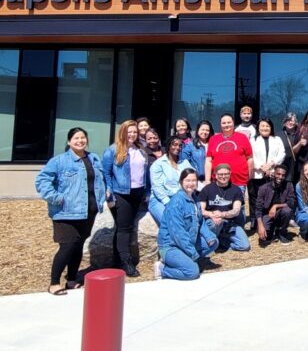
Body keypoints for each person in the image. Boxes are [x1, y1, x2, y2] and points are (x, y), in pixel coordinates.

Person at [35, 127, 106, 295]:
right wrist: (57, 198)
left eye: (83, 138)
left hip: (88, 210)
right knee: (67, 246)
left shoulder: (93, 158)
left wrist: (104, 196)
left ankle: (71, 280)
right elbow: (42, 181)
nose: (80, 141)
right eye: (76, 138)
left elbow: (99, 180)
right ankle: (54, 283)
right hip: (66, 211)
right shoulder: (59, 161)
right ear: (69, 142)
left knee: (78, 245)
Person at [101, 120, 148, 277]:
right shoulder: (112, 150)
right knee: (124, 228)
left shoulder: (140, 149)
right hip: (121, 193)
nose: (132, 135)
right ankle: (126, 262)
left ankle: (117, 259)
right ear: (122, 132)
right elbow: (106, 173)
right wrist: (108, 190)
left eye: (135, 132)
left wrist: (146, 191)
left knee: (122, 226)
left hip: (138, 192)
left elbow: (144, 172)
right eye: (129, 132)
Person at [155, 168, 219, 281]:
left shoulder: (195, 199)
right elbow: (178, 234)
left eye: (193, 180)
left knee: (214, 242)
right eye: (187, 180)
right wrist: (193, 253)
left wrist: (209, 237)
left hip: (188, 243)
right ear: (181, 182)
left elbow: (200, 221)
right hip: (171, 246)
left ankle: (186, 260)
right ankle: (163, 269)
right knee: (192, 272)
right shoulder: (176, 203)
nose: (191, 184)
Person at [198, 164, 251, 252]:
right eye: (220, 174)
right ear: (215, 175)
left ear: (230, 174)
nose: (223, 176)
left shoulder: (236, 189)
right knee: (214, 223)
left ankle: (220, 242)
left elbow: (236, 210)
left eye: (226, 174)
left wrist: (222, 214)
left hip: (230, 223)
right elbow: (201, 210)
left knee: (244, 246)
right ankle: (210, 242)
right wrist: (212, 215)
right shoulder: (207, 189)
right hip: (212, 222)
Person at [204, 113, 254, 198]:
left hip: (239, 182)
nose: (226, 125)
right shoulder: (213, 139)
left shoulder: (242, 138)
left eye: (229, 122)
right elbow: (208, 161)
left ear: (233, 123)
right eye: (224, 123)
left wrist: (249, 178)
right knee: (218, 208)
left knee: (237, 209)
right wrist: (207, 180)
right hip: (217, 182)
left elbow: (250, 159)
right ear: (220, 124)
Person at [149, 136, 195, 225]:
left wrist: (207, 188)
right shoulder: (158, 164)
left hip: (179, 199)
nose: (177, 147)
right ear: (168, 146)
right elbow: (157, 187)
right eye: (174, 145)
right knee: (171, 221)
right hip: (160, 200)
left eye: (180, 145)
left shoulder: (184, 163)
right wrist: (169, 204)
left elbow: (194, 178)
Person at [255, 163, 295, 247]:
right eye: (278, 174)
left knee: (287, 211)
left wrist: (276, 206)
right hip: (267, 215)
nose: (280, 177)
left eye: (283, 175)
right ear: (274, 174)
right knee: (264, 239)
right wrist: (260, 225)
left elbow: (291, 202)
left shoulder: (288, 185)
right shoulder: (263, 188)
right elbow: (258, 209)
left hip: (281, 213)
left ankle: (281, 232)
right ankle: (272, 228)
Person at [250, 118, 285, 208]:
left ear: (271, 127)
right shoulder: (253, 140)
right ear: (258, 128)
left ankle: (270, 219)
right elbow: (250, 156)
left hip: (272, 173)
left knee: (271, 198)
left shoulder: (277, 139)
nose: (265, 128)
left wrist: (271, 164)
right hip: (257, 174)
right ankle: (255, 219)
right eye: (262, 126)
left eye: (267, 126)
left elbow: (282, 154)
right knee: (256, 198)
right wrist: (261, 167)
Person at [278, 112, 301, 183]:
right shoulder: (278, 134)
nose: (290, 122)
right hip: (283, 165)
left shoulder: (299, 134)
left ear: (296, 123)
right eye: (288, 120)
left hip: (297, 166)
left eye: (293, 121)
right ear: (284, 122)